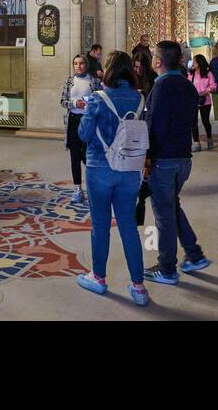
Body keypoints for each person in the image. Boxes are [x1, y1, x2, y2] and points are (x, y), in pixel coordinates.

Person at [76, 51, 149, 307]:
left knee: (101, 225)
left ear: (107, 70)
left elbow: (84, 134)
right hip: (130, 170)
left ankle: (98, 277)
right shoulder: (139, 98)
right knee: (128, 226)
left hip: (100, 168)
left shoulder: (98, 98)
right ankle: (139, 287)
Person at [144, 40, 208, 284]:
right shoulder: (187, 86)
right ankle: (194, 255)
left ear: (159, 61)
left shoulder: (162, 87)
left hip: (164, 159)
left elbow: (156, 127)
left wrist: (147, 157)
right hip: (183, 158)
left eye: (153, 55)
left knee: (164, 216)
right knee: (172, 206)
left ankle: (167, 268)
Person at [60, 53, 102, 203]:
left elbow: (100, 101)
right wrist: (74, 104)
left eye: (81, 63)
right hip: (73, 120)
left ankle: (94, 186)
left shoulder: (94, 81)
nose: (78, 66)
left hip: (88, 121)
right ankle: (78, 189)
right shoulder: (69, 81)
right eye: (76, 63)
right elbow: (63, 101)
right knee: (74, 156)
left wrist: (89, 104)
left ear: (86, 65)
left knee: (88, 156)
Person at [188, 53, 218, 151]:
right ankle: (197, 143)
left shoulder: (208, 74)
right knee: (193, 122)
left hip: (205, 101)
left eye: (194, 61)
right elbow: (188, 86)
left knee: (205, 121)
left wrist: (206, 91)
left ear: (199, 63)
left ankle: (209, 139)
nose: (193, 63)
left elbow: (213, 86)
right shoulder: (191, 74)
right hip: (193, 100)